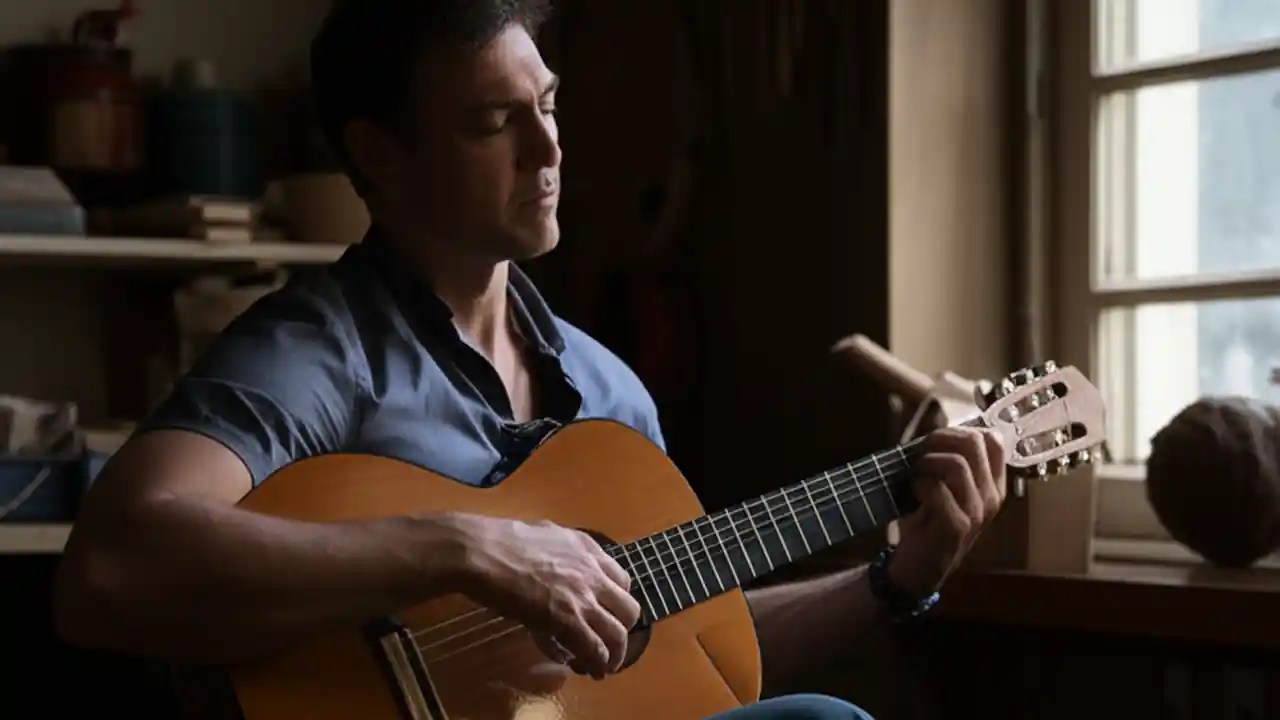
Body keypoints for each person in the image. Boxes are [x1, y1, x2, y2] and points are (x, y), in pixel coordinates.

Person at [51, 2, 1008, 718]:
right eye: (493, 123)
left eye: (548, 104)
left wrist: (893, 579)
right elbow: (107, 570)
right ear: (380, 155)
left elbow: (699, 655)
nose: (549, 147)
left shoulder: (606, 392)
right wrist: (465, 546)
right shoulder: (318, 353)